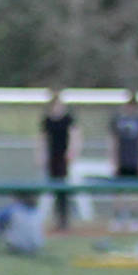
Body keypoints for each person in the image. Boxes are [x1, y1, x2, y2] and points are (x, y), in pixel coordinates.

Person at [109, 91, 138, 233]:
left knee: (136, 193)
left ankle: (135, 219)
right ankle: (118, 219)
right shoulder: (117, 121)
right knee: (118, 192)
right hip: (121, 161)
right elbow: (113, 141)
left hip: (135, 161)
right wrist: (113, 160)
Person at [39, 88, 77, 232]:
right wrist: (41, 155)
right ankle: (56, 218)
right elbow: (42, 138)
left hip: (63, 158)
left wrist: (71, 152)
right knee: (54, 189)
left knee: (64, 189)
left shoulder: (68, 119)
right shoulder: (47, 120)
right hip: (52, 157)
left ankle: (64, 219)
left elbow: (75, 135)